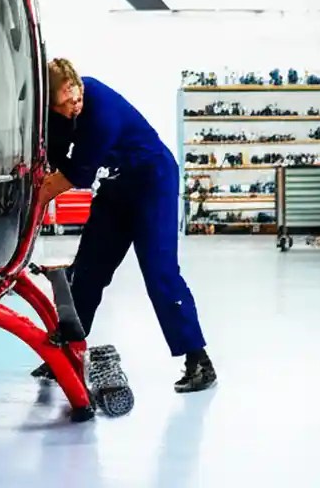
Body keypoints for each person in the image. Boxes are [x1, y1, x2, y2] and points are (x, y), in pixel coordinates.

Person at [34, 58, 216, 393]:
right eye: (65, 103)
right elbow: (53, 157)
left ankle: (198, 361)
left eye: (76, 98)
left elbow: (76, 174)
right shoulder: (55, 114)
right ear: (50, 102)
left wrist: (32, 201)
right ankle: (67, 351)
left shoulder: (100, 109)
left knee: (160, 272)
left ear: (79, 85)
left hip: (153, 182)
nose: (74, 106)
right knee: (88, 270)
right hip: (117, 184)